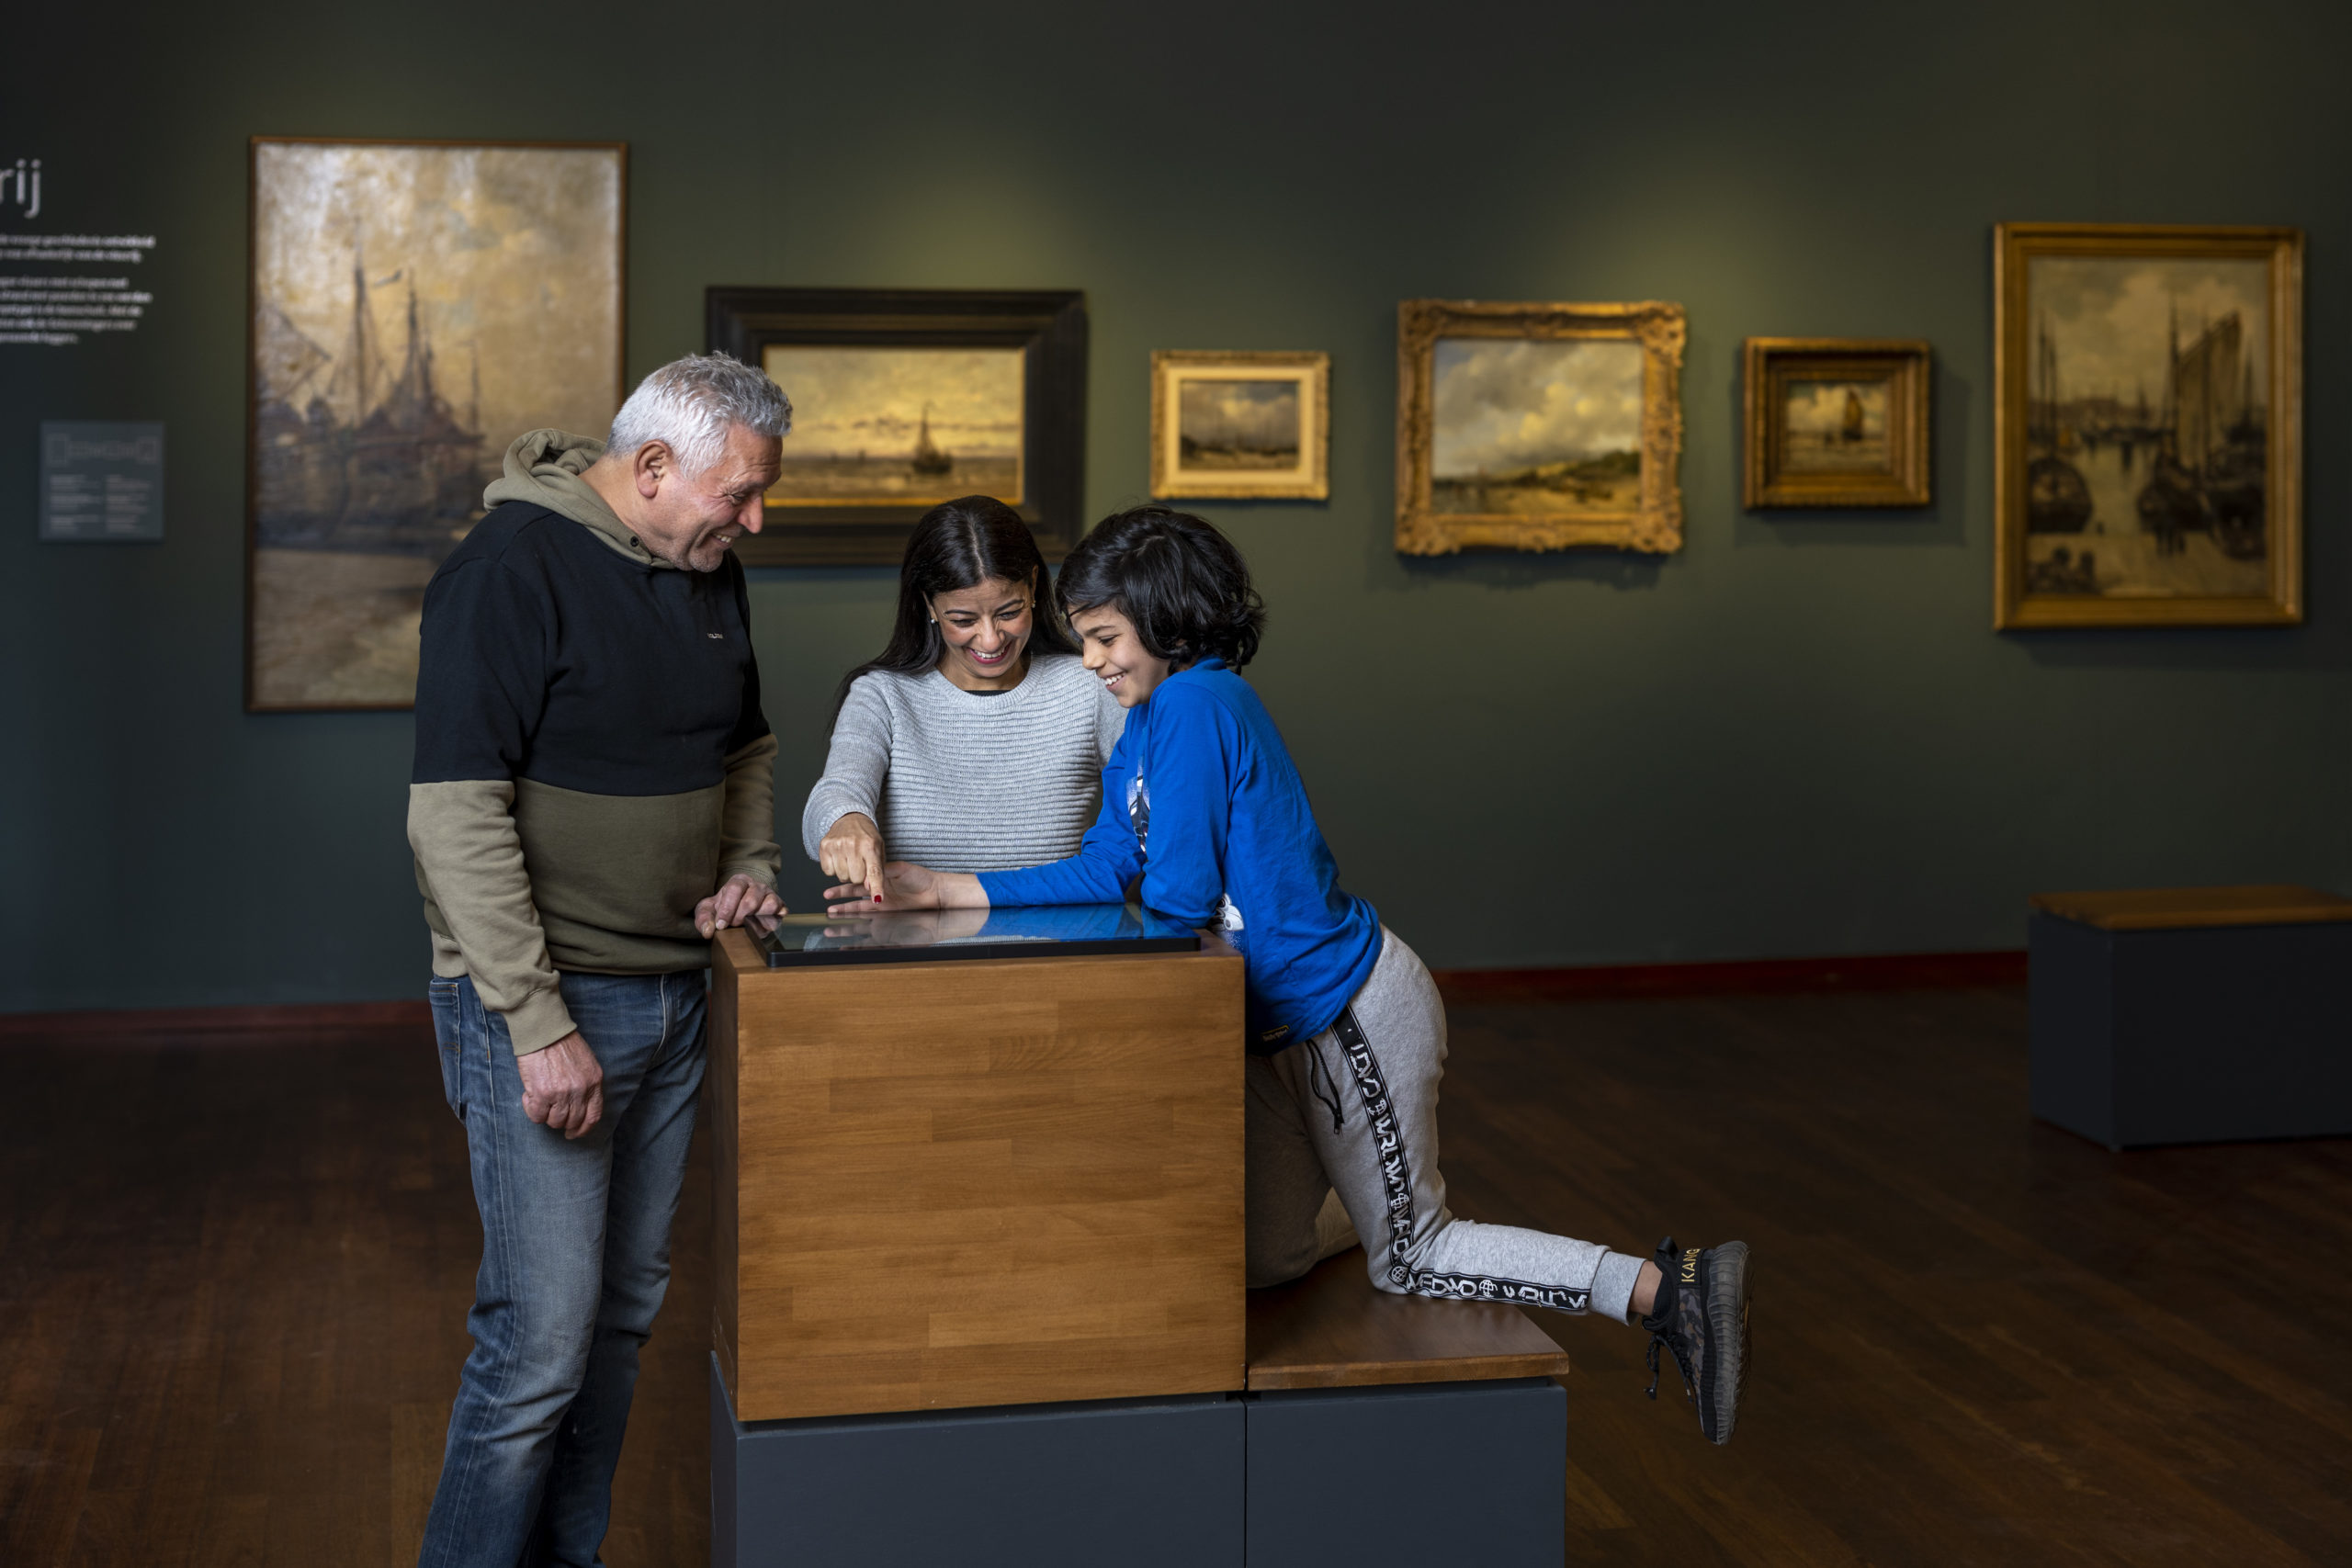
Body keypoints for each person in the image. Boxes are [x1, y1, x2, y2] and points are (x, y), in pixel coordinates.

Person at [825, 505, 1754, 1444]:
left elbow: (1178, 900)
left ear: (1166, 620)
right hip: (1275, 1035)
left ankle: (1662, 1287)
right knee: (1260, 1257)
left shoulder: (1196, 703)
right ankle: (1377, 1187)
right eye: (1087, 636)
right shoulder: (1146, 720)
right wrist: (943, 890)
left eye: (1105, 636)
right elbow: (1110, 865)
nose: (1091, 658)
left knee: (1415, 1260)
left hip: (1342, 1011)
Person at [408, 352, 795, 1565]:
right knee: (537, 1347)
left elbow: (747, 749)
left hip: (677, 994)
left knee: (620, 1322)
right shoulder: (506, 569)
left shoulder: (707, 572)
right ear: (652, 466)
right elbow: (451, 818)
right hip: (550, 1006)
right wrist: (534, 1020)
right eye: (737, 494)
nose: (755, 519)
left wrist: (755, 866)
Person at [803, 495, 1123, 899]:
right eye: (963, 620)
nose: (991, 639)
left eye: (1009, 612)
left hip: (1052, 950)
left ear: (1034, 586)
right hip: (915, 956)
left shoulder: (1090, 685)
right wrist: (846, 818)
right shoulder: (881, 695)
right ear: (929, 606)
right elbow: (836, 790)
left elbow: (1147, 809)